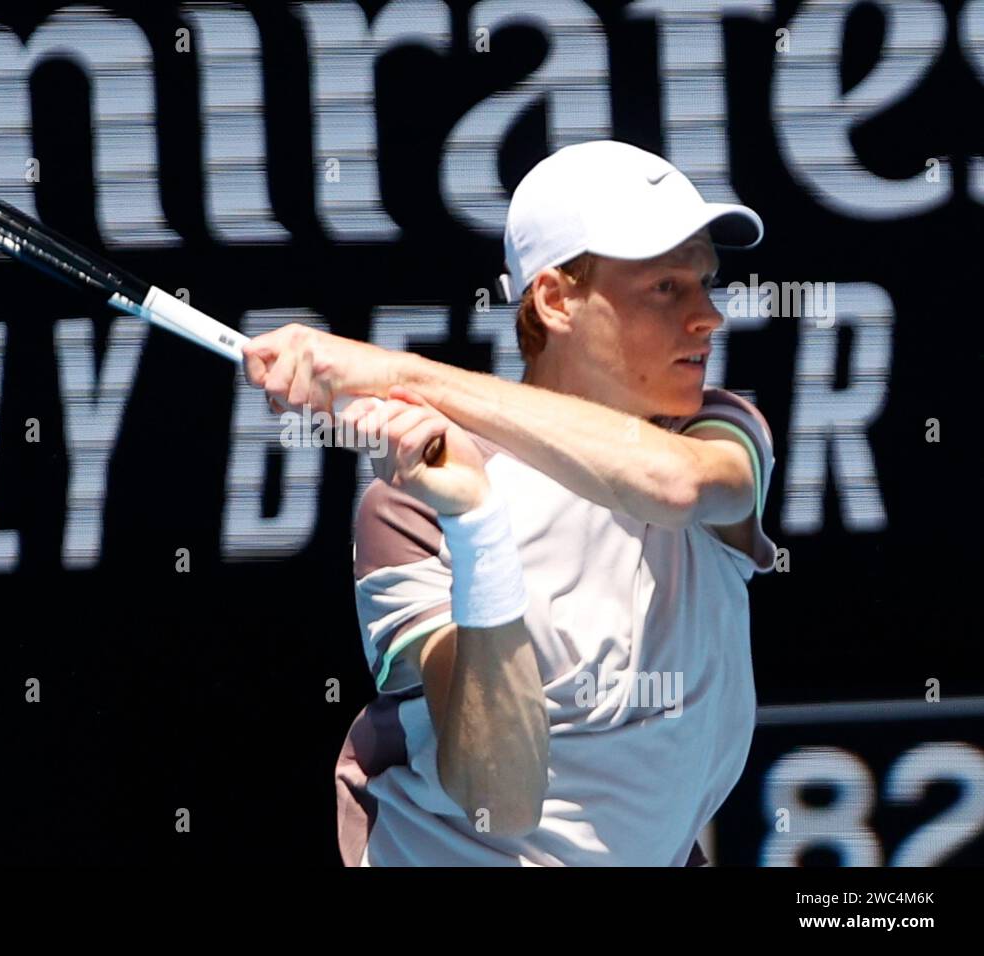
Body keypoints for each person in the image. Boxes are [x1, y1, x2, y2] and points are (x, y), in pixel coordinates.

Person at [242, 140, 777, 866]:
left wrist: (400, 373)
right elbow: (503, 798)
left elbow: (676, 486)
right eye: (665, 288)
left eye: (705, 283)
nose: (708, 316)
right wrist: (476, 524)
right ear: (556, 300)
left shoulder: (720, 435)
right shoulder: (414, 502)